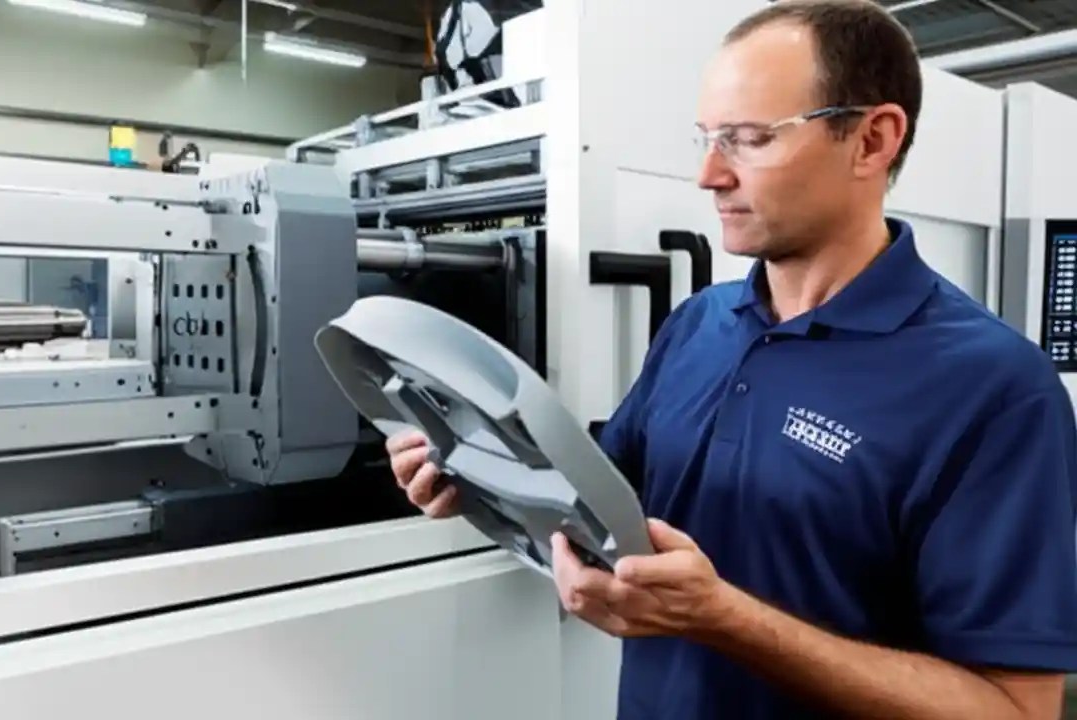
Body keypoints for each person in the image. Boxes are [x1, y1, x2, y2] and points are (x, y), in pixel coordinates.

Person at [385, 0, 1077, 718]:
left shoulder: (996, 389)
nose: (709, 175)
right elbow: (599, 505)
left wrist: (724, 617)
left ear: (872, 140)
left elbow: (1014, 710)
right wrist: (476, 474)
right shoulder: (699, 325)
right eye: (706, 139)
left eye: (748, 139)